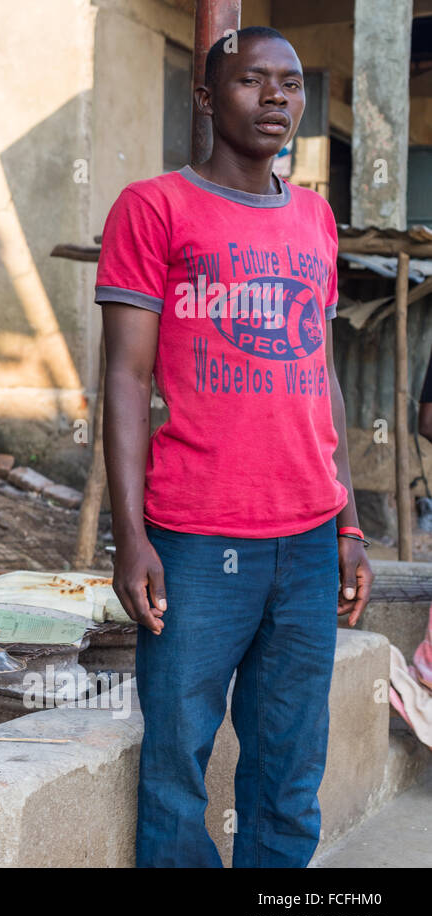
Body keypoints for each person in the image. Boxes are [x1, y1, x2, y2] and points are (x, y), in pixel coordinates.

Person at [95, 27, 373, 867]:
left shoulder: (316, 216)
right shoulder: (154, 207)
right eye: (253, 81)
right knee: (178, 761)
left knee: (291, 766)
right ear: (209, 99)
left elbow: (317, 373)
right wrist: (132, 535)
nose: (278, 98)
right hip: (197, 534)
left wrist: (349, 522)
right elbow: (125, 377)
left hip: (307, 539)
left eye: (290, 84)